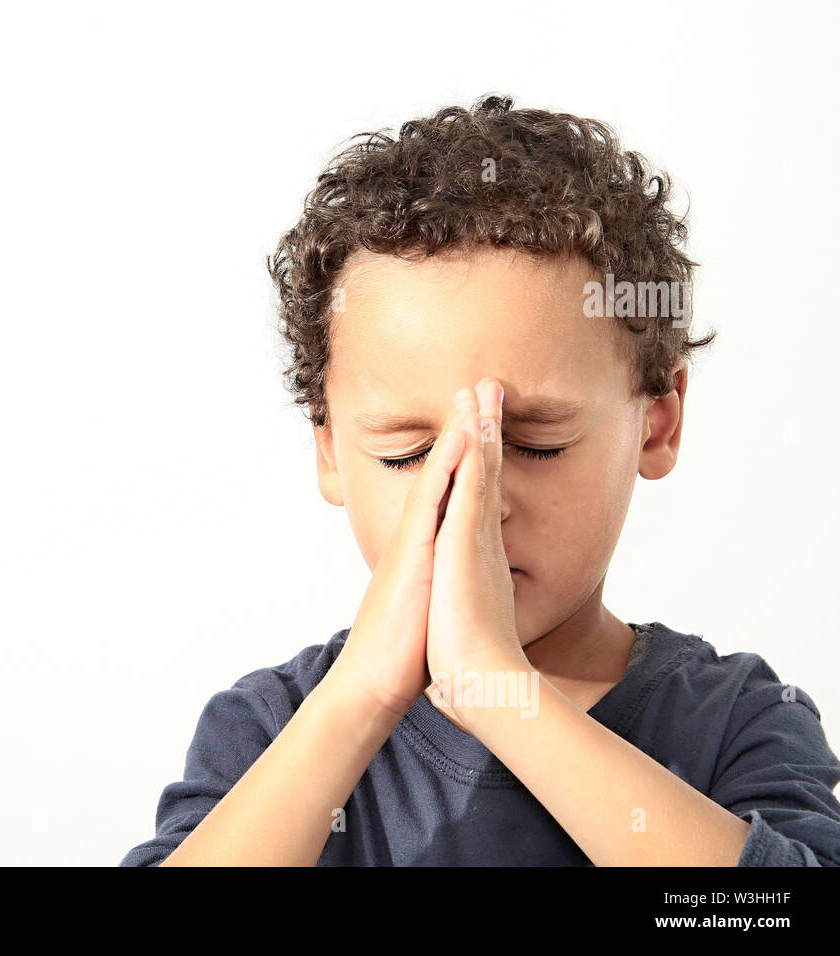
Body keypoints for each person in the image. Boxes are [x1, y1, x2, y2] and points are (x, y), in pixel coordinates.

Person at [119, 95, 840, 866]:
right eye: (405, 455)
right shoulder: (274, 729)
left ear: (656, 424)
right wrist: (359, 701)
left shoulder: (735, 721)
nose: (474, 503)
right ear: (329, 452)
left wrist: (497, 688)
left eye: (534, 444)